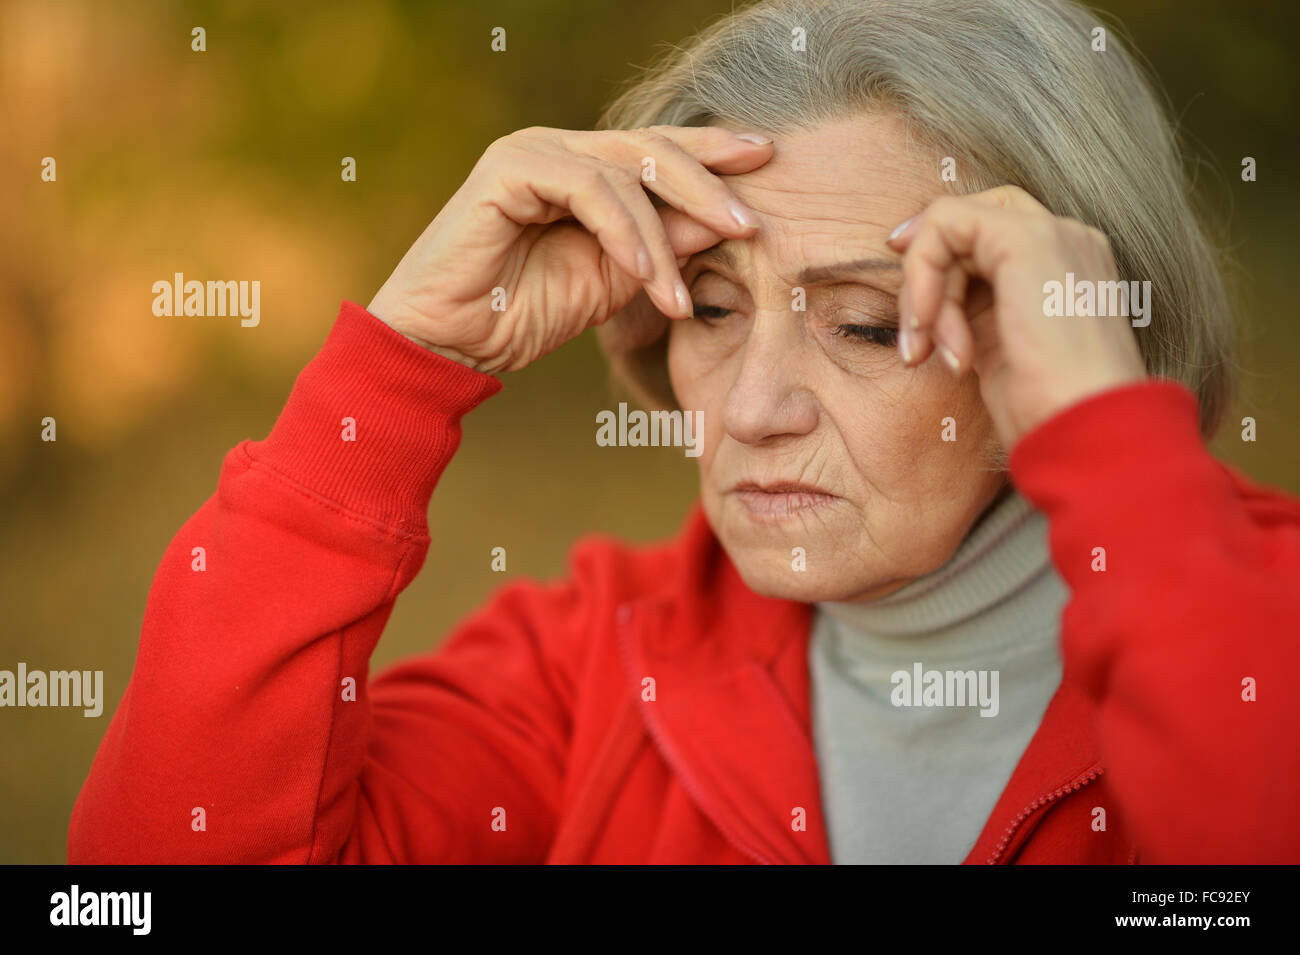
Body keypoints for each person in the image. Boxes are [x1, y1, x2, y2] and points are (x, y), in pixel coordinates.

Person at [69, 0, 1299, 864]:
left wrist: (1110, 444)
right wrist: (396, 373)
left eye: (868, 326)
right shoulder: (585, 674)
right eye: (708, 309)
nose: (752, 406)